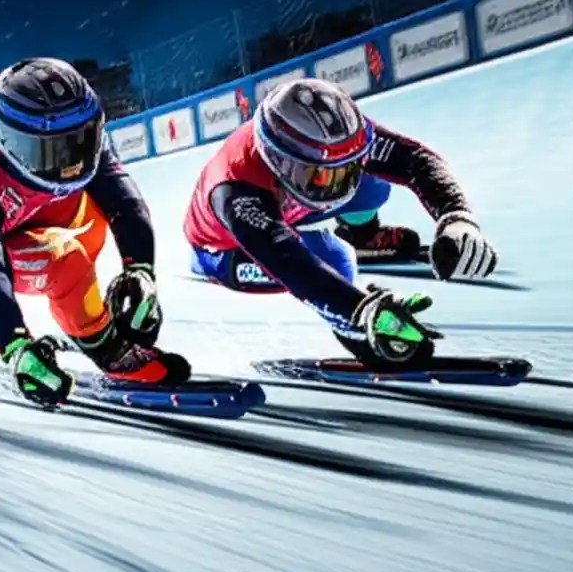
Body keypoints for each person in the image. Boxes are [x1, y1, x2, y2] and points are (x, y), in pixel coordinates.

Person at [183, 77, 498, 369]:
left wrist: (456, 217)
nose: (334, 187)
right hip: (223, 250)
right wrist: (357, 311)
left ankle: (363, 235)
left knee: (373, 184)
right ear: (277, 159)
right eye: (320, 174)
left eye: (346, 168)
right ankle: (353, 336)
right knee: (335, 259)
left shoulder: (340, 138)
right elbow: (291, 263)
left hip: (286, 207)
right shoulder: (236, 188)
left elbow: (414, 160)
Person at [0, 57, 190, 408]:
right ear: (11, 143)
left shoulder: (74, 144)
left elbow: (125, 203)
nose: (73, 161)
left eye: (83, 139)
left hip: (35, 206)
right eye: (53, 150)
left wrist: (140, 271)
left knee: (93, 224)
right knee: (64, 259)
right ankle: (106, 349)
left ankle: (85, 313)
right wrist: (16, 345)